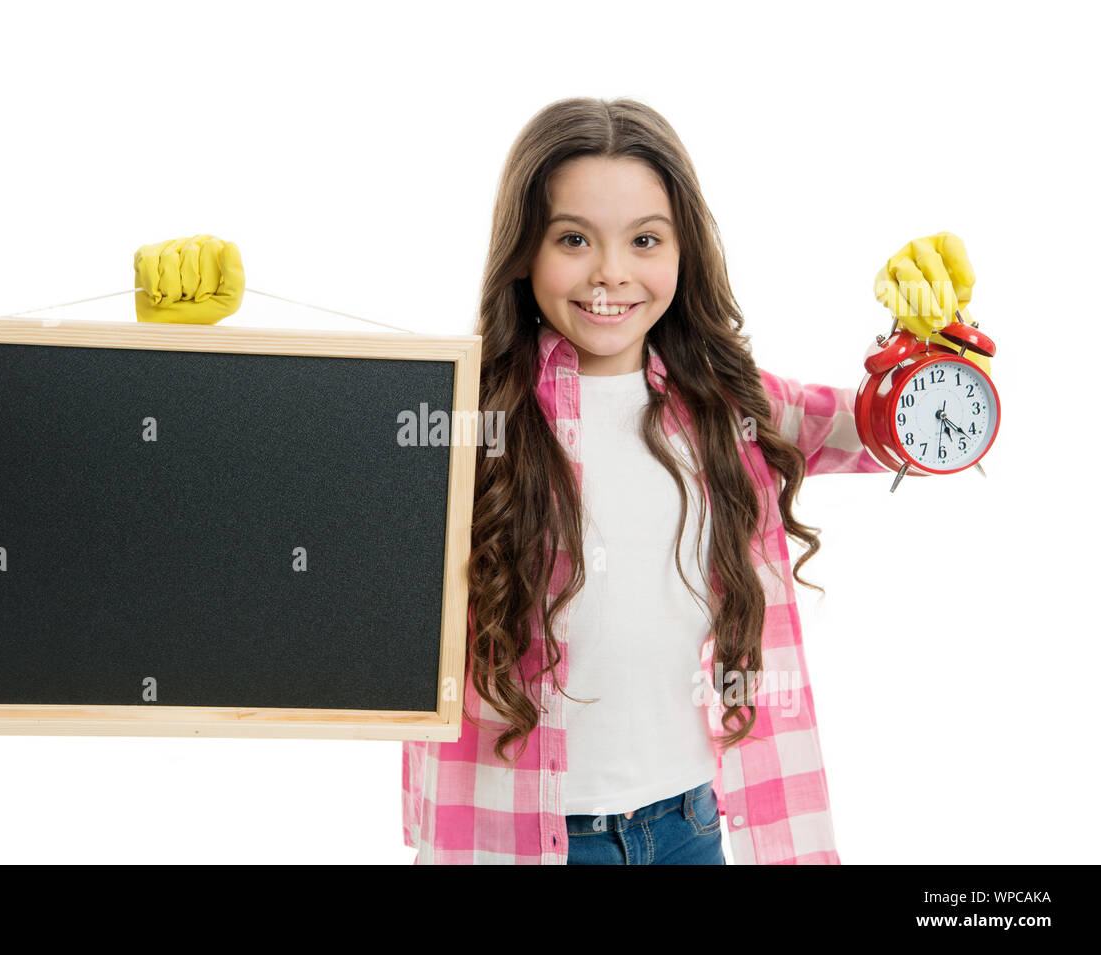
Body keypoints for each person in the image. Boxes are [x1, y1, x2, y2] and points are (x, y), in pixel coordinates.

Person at [399, 96, 981, 864]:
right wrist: (189, 350)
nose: (611, 272)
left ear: (684, 250)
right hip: (527, 840)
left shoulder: (729, 404)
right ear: (524, 252)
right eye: (573, 238)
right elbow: (290, 500)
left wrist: (929, 346)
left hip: (689, 826)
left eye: (645, 239)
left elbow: (900, 432)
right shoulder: (466, 415)